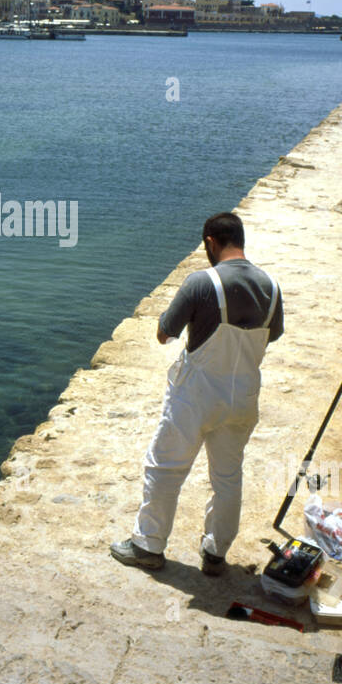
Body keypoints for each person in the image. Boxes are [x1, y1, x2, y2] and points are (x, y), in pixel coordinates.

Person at [111, 212, 283, 575]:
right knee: (227, 476)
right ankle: (216, 552)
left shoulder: (201, 283)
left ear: (210, 242)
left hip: (198, 395)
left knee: (165, 467)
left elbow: (165, 333)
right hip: (243, 398)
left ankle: (148, 545)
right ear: (240, 239)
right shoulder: (272, 287)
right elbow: (273, 334)